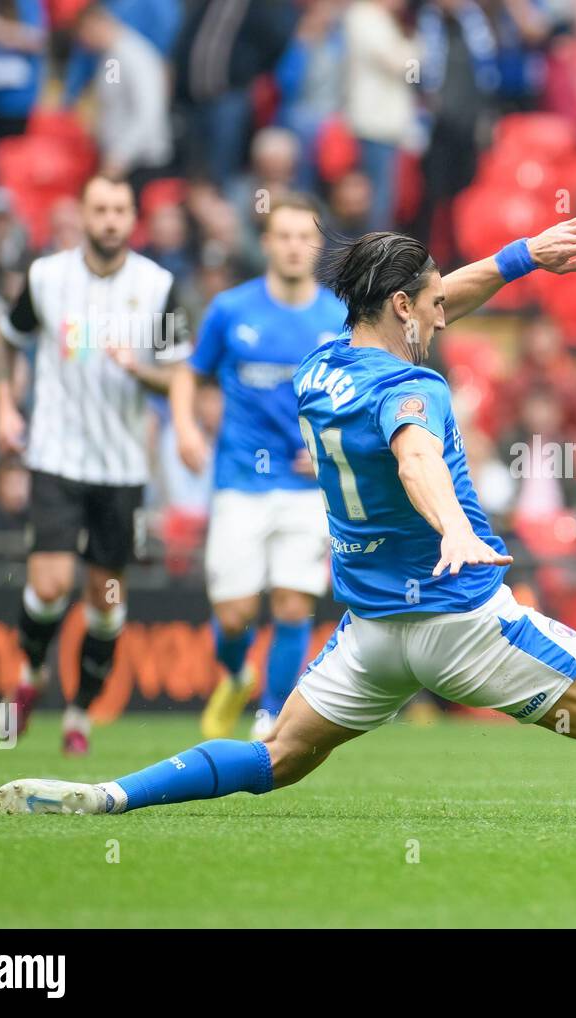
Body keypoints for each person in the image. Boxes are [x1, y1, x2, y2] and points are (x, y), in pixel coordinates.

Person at [0, 225, 576, 817]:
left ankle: (110, 796)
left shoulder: (324, 361)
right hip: (462, 618)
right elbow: (415, 453)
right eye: (432, 302)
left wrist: (521, 259)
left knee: (274, 758)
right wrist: (452, 527)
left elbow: (441, 309)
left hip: (372, 637)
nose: (444, 314)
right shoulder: (412, 386)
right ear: (402, 308)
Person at [0, 175, 192, 754]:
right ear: (82, 214)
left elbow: (179, 371)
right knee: (50, 585)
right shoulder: (46, 278)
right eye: (99, 208)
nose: (109, 219)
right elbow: (6, 339)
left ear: (133, 218)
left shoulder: (157, 288)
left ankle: (79, 715)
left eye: (120, 210)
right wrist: (6, 406)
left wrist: (141, 370)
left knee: (104, 602)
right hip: (56, 453)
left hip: (123, 465)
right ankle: (30, 677)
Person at [170, 194, 346, 741]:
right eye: (284, 236)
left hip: (304, 487)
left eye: (305, 238)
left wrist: (330, 448)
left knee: (293, 603)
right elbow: (189, 374)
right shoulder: (231, 310)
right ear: (266, 243)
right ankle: (239, 673)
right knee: (234, 617)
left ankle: (270, 714)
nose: (294, 246)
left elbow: (356, 396)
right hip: (240, 481)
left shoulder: (337, 317)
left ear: (317, 249)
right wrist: (184, 428)